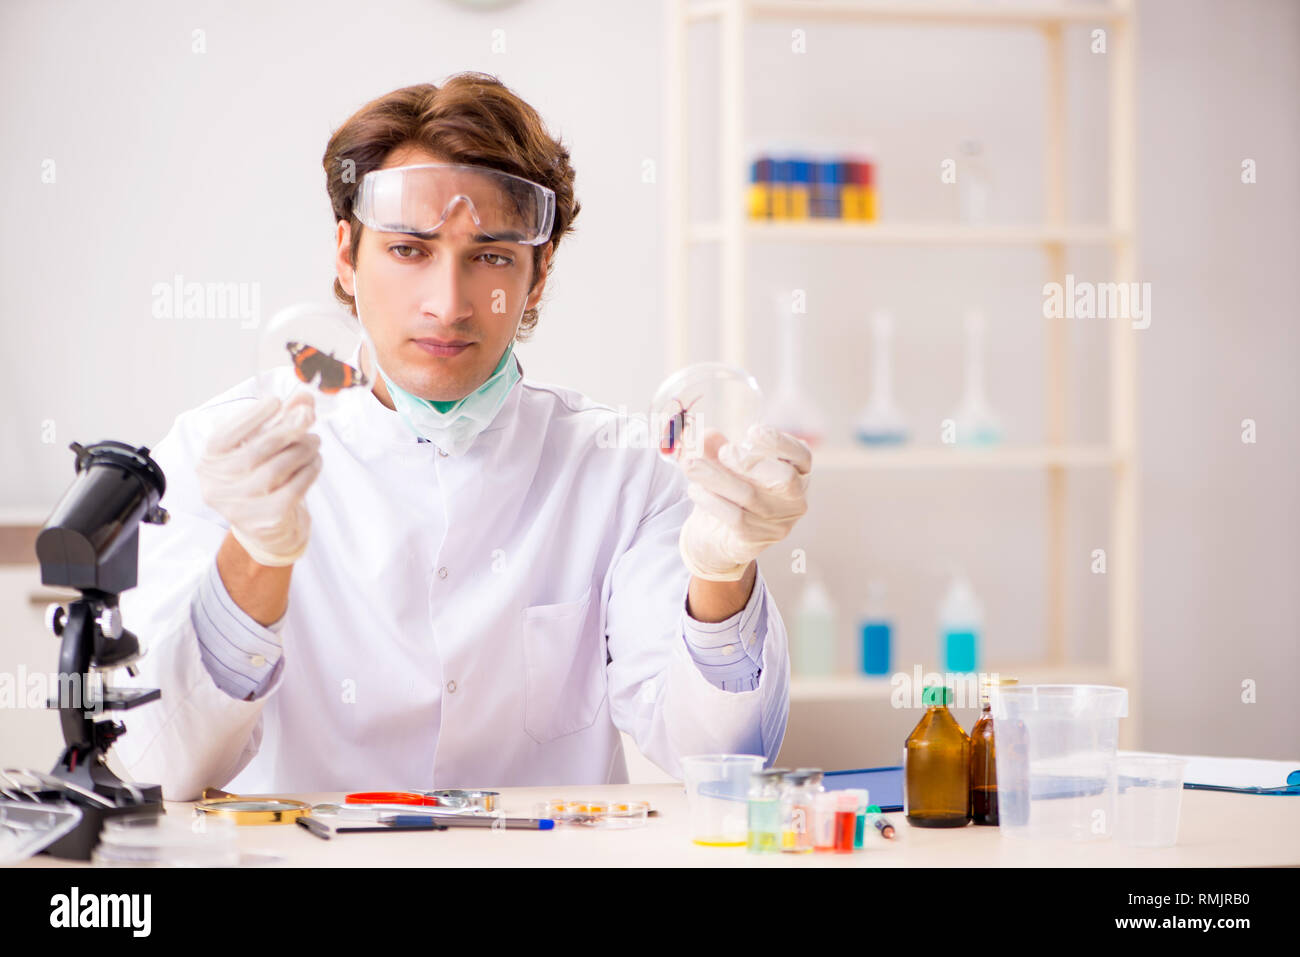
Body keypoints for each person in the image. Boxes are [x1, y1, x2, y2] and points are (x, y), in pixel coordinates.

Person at [113, 73, 812, 800]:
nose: (447, 305)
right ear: (347, 257)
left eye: (490, 256)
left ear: (537, 279)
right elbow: (167, 768)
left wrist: (722, 576)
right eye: (410, 250)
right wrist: (254, 557)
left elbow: (723, 758)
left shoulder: (621, 470)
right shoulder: (221, 455)